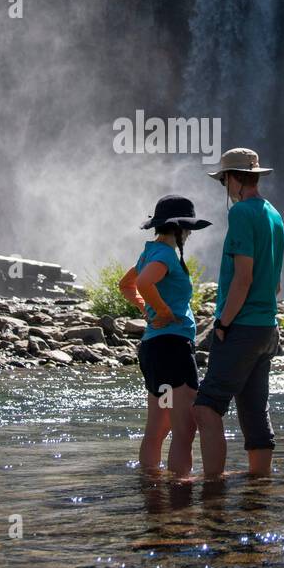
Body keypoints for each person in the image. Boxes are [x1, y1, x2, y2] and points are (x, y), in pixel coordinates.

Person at [192, 148, 284, 479]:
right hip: (266, 328)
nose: (224, 187)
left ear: (232, 178)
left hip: (242, 326)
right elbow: (275, 285)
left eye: (223, 180)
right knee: (254, 410)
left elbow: (243, 278)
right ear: (256, 176)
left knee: (206, 407)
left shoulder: (242, 214)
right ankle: (260, 487)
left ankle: (212, 489)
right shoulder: (274, 215)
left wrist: (223, 322)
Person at [118, 195, 210, 477]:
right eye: (189, 228)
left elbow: (126, 284)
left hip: (153, 348)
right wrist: (163, 311)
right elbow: (143, 283)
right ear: (181, 228)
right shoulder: (167, 254)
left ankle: (152, 488)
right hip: (174, 347)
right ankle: (181, 492)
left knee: (157, 428)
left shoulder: (149, 252)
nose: (191, 234)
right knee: (185, 429)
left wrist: (145, 308)